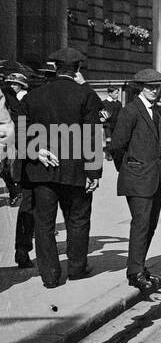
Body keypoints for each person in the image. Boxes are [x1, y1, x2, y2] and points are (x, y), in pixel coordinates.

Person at [20, 48, 103, 289]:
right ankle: (76, 269)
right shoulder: (84, 95)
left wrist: (34, 151)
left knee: (44, 224)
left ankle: (50, 275)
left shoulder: (33, 96)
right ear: (77, 69)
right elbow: (92, 135)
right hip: (76, 170)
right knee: (77, 219)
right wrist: (94, 172)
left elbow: (20, 130)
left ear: (55, 67)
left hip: (41, 170)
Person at [108, 69, 161, 293]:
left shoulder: (154, 111)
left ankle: (140, 267)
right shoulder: (130, 111)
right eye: (149, 86)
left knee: (150, 225)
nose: (154, 90)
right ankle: (134, 273)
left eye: (157, 86)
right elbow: (116, 145)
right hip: (137, 177)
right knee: (141, 224)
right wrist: (127, 168)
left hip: (155, 177)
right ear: (140, 87)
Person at [1, 63, 36, 270]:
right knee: (30, 205)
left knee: (28, 205)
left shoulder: (14, 100)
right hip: (18, 155)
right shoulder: (13, 101)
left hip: (15, 155)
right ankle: (24, 250)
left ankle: (22, 250)